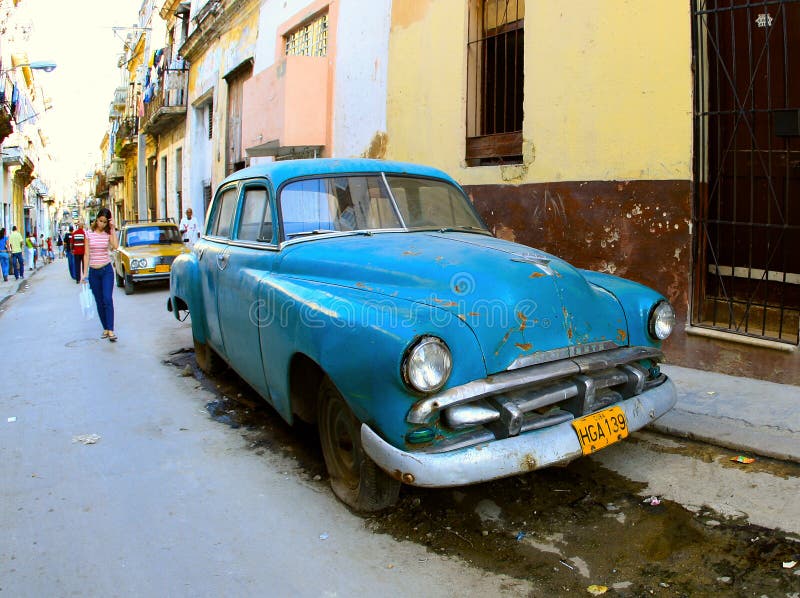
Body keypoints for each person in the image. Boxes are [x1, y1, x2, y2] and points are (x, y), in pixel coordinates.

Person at [81, 207, 119, 342]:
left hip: (106, 270)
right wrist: (84, 274)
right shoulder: (88, 234)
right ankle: (106, 328)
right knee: (99, 301)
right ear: (96, 219)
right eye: (100, 221)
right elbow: (86, 254)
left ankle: (111, 330)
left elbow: (115, 246)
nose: (102, 224)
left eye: (105, 222)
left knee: (107, 299)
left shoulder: (108, 233)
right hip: (93, 272)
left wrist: (112, 228)